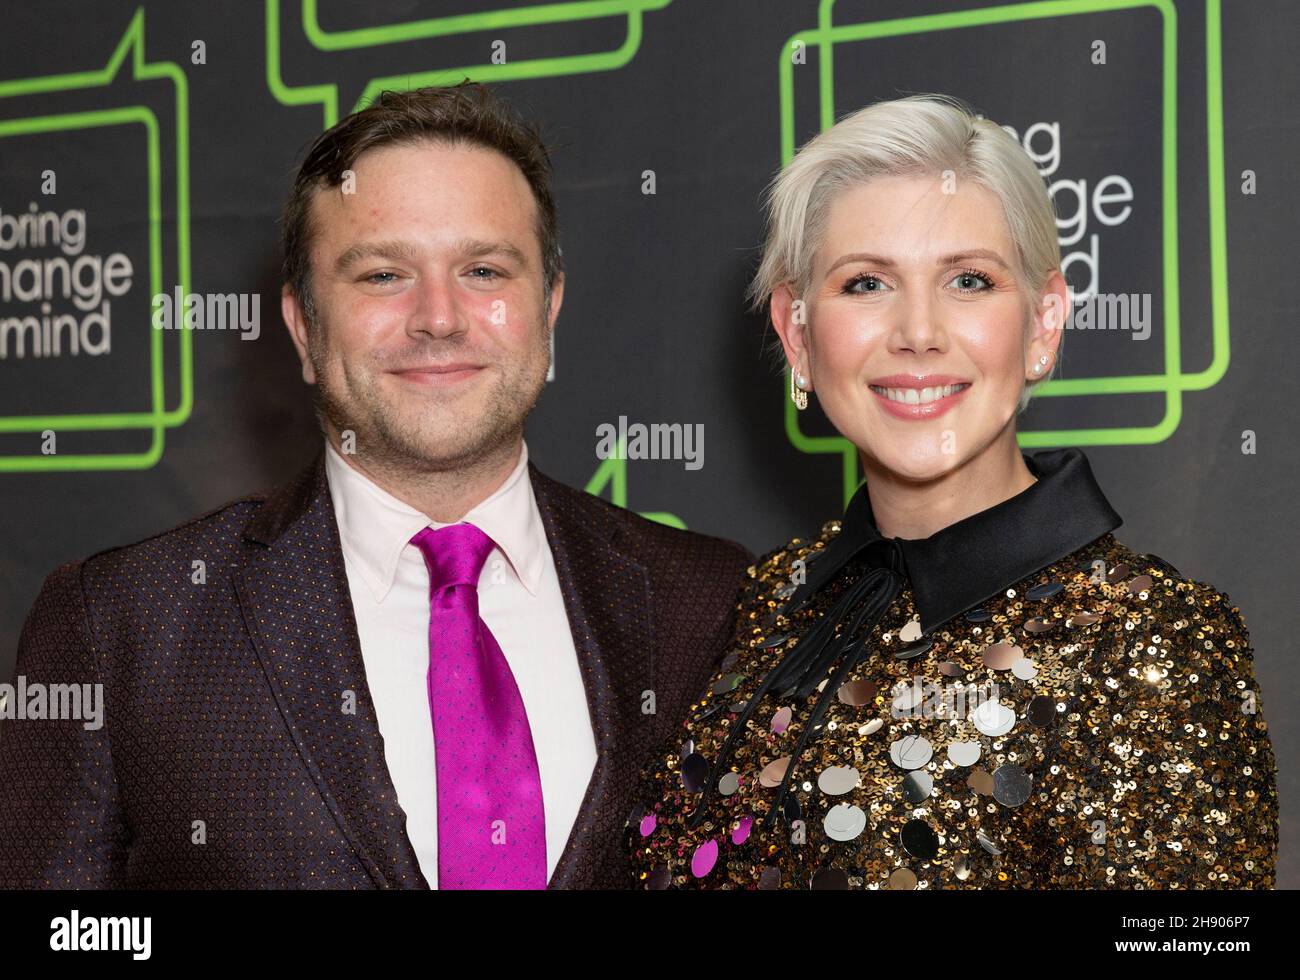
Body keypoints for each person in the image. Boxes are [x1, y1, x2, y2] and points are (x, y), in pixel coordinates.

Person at [0, 82, 752, 889]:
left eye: (485, 269)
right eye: (383, 274)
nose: (438, 317)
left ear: (549, 308)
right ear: (303, 328)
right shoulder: (122, 623)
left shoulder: (709, 600)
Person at [627, 94, 1278, 890]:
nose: (919, 332)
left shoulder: (1154, 641)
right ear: (798, 333)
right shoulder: (769, 597)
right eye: (866, 284)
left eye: (969, 280)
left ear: (1043, 323)